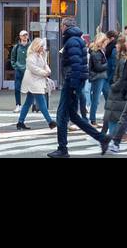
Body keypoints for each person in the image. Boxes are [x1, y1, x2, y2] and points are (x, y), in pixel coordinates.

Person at [49, 18, 110, 158]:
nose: (61, 28)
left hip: (72, 82)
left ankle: (62, 149)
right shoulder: (76, 40)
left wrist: (74, 86)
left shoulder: (72, 41)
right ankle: (102, 138)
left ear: (66, 26)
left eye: (62, 25)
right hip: (74, 81)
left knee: (62, 115)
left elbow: (76, 65)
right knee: (73, 116)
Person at [17, 37, 57, 130]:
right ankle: (50, 121)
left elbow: (45, 65)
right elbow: (33, 69)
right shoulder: (31, 56)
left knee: (28, 102)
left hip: (36, 81)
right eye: (42, 46)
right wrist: (45, 73)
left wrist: (48, 71)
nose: (43, 48)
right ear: (37, 46)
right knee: (41, 101)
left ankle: (20, 122)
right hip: (33, 81)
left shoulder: (40, 55)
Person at [87, 33, 110, 125]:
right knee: (96, 99)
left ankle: (105, 117)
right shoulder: (96, 52)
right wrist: (108, 64)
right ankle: (92, 118)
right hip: (98, 77)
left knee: (106, 97)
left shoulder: (98, 51)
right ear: (102, 41)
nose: (106, 43)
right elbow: (98, 67)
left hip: (101, 76)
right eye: (105, 41)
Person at [9, 30, 31, 107]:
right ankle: (18, 105)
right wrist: (15, 66)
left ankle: (29, 104)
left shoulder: (31, 46)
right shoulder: (16, 47)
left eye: (26, 35)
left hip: (29, 70)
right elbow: (12, 58)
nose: (25, 36)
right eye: (23, 35)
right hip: (19, 70)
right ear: (20, 36)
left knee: (30, 88)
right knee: (17, 88)